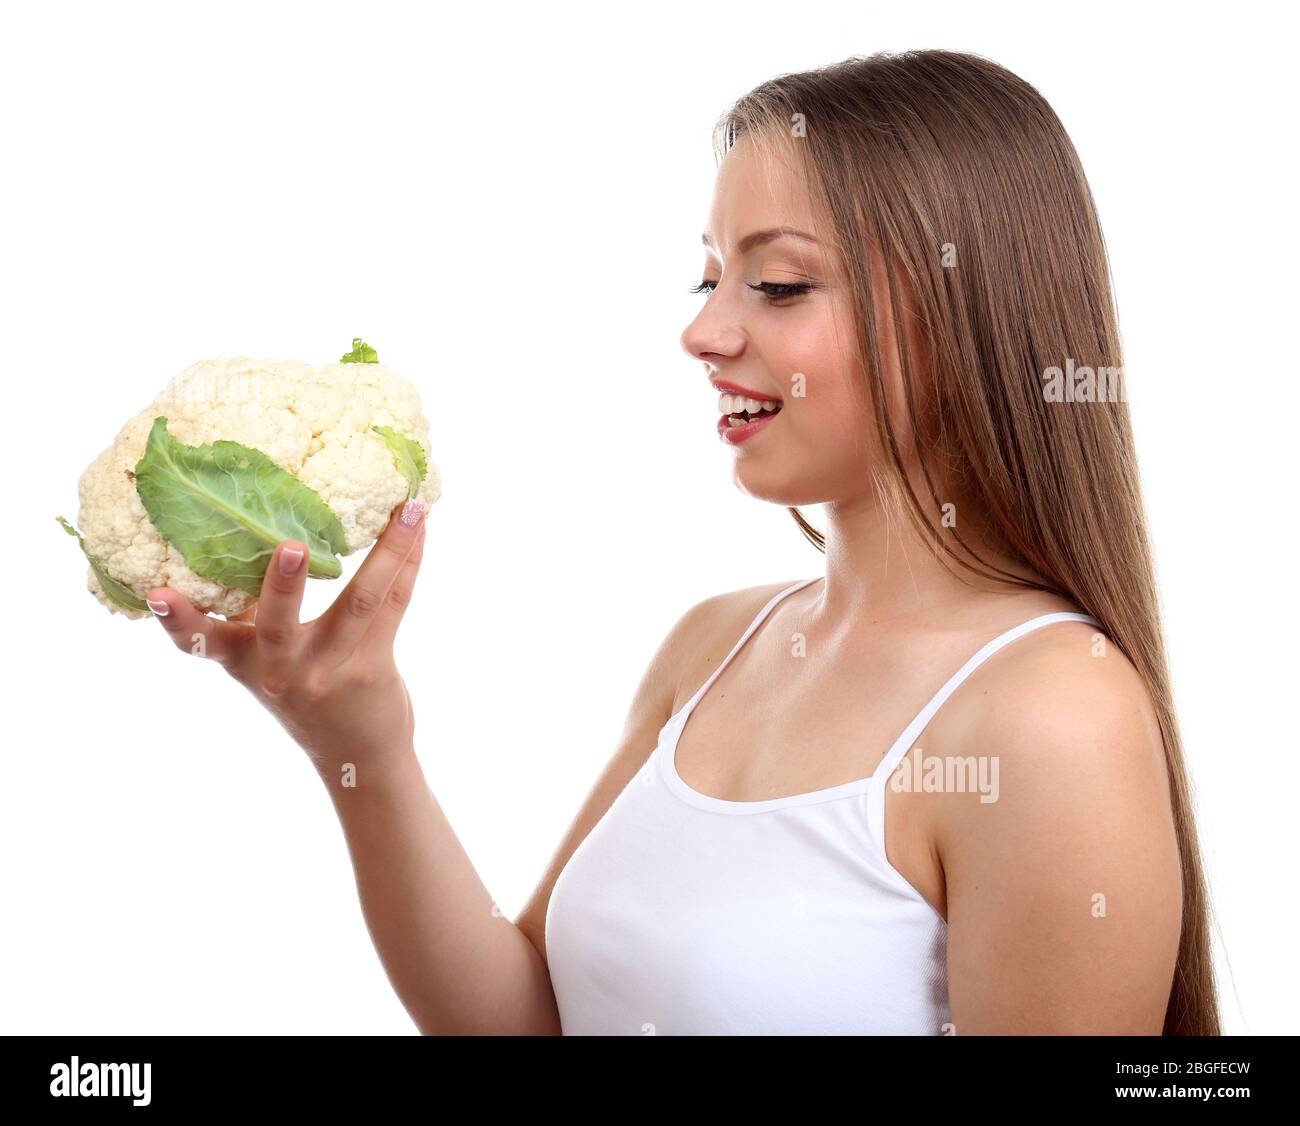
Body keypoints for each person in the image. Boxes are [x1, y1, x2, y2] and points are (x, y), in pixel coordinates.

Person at [143, 49, 1219, 1035]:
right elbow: (528, 1025)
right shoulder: (713, 646)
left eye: (779, 284)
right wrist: (363, 746)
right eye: (710, 278)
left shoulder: (1052, 717)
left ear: (966, 310)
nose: (704, 331)